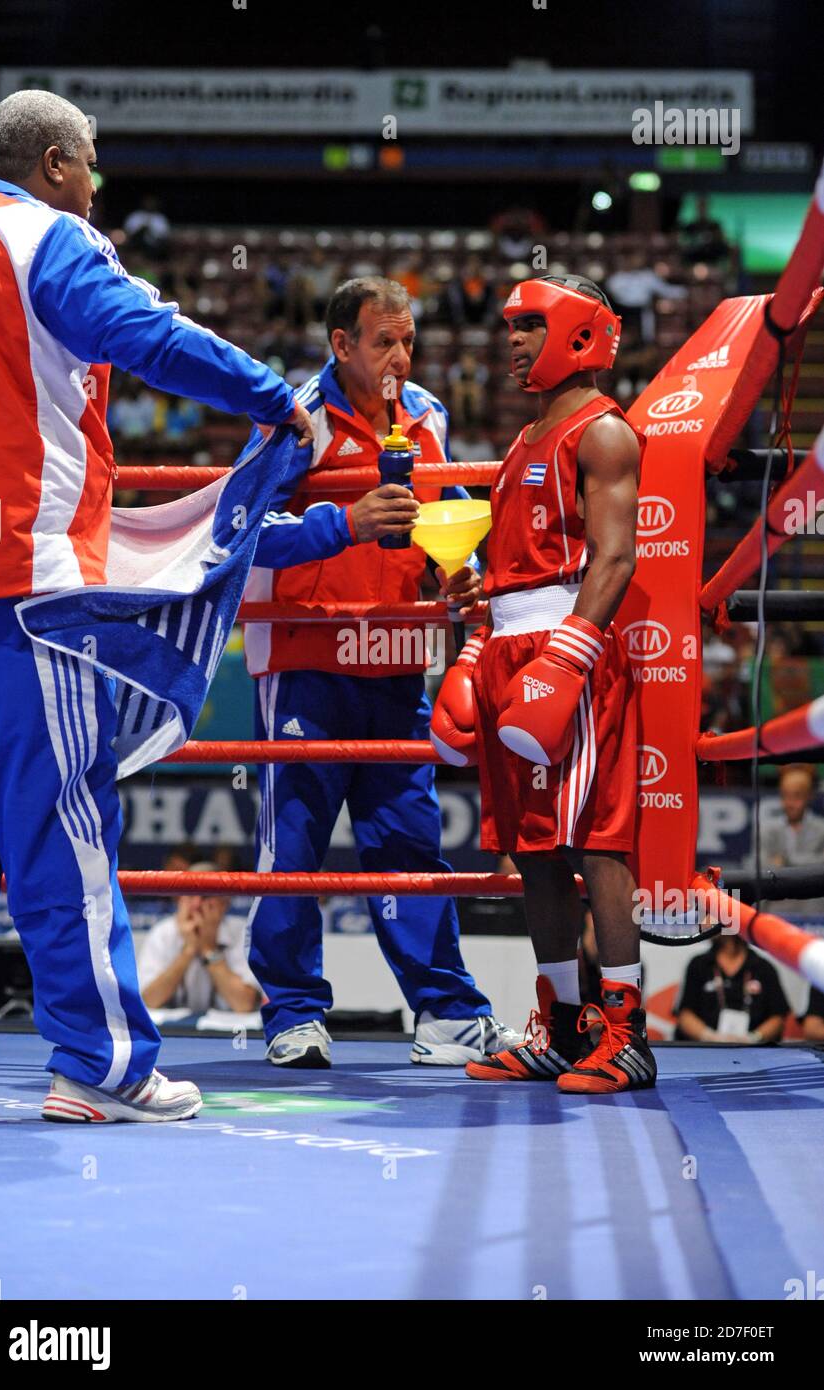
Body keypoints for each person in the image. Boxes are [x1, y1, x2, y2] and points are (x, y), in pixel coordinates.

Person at [0, 89, 312, 1121]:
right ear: (59, 162)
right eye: (94, 163)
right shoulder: (43, 238)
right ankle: (100, 1067)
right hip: (19, 587)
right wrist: (271, 396)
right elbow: (146, 334)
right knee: (64, 829)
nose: (99, 183)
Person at [241, 275, 521, 1068]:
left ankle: (444, 1016)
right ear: (341, 345)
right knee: (291, 850)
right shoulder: (293, 417)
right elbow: (236, 527)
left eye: (407, 340)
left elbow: (453, 513)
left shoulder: (426, 416)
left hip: (399, 664)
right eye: (383, 342)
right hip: (305, 665)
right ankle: (291, 1013)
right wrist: (342, 522)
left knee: (410, 846)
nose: (400, 356)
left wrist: (457, 568)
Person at [432, 273, 657, 1093]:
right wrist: (474, 621)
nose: (513, 339)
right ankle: (561, 1027)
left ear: (579, 332)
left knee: (595, 839)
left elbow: (616, 557)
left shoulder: (603, 435)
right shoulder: (525, 440)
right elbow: (516, 569)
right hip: (507, 653)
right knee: (531, 849)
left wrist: (567, 655)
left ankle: (625, 1031)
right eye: (510, 326)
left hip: (573, 655)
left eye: (530, 324)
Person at [138, 865, 261, 1015]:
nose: (196, 904)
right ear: (180, 900)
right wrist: (188, 951)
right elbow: (149, 1000)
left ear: (224, 903)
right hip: (175, 1033)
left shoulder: (242, 933)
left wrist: (208, 949)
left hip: (230, 1035)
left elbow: (244, 1004)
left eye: (205, 896)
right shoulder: (163, 933)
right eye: (190, 895)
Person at [674, 936, 788, 1044]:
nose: (706, 923)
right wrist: (710, 1037)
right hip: (704, 1051)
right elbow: (685, 1015)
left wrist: (752, 1038)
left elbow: (777, 1018)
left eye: (716, 917)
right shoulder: (699, 964)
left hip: (753, 1053)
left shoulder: (763, 968)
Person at [759, 764, 824, 917]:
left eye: (796, 796)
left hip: (815, 913)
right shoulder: (767, 829)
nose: (789, 803)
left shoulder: (822, 829)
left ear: (809, 796)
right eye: (785, 795)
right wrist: (809, 866)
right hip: (776, 910)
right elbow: (761, 866)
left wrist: (786, 861)